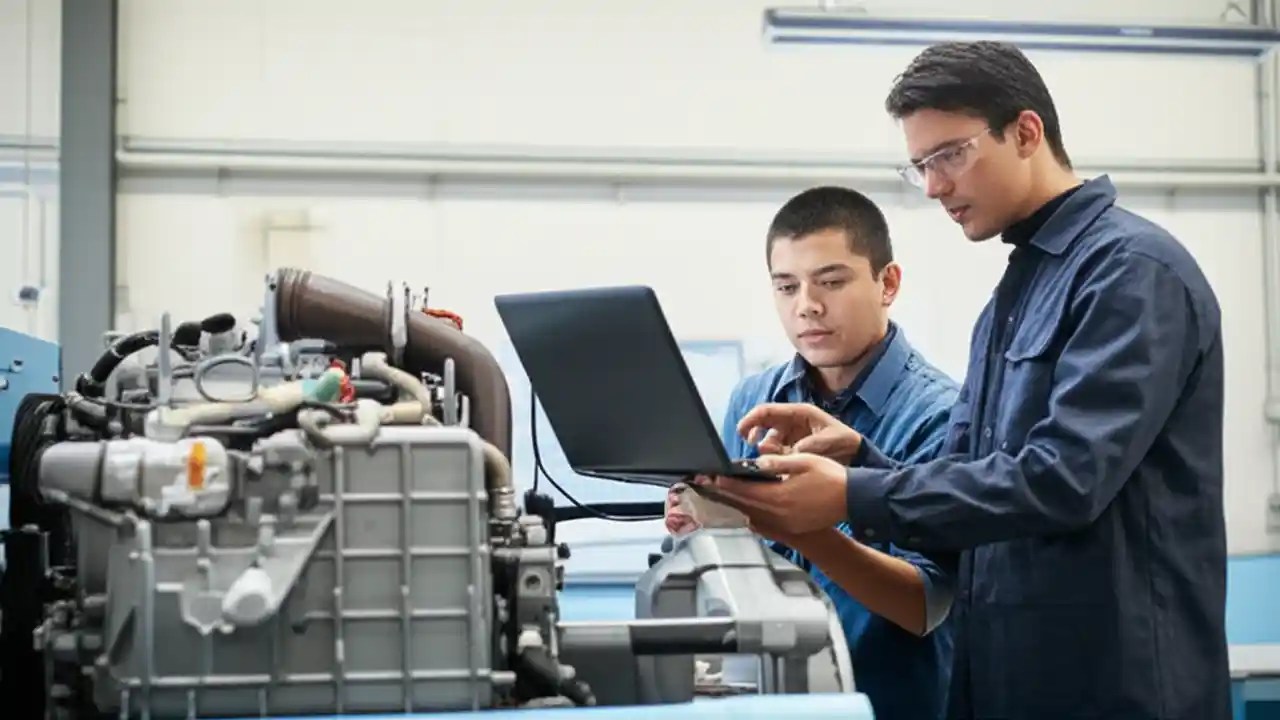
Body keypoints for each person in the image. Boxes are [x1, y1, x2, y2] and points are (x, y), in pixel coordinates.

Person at [699, 41, 1230, 720]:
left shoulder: (1129, 273)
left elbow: (1065, 480)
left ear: (1026, 132)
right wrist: (861, 456)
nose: (933, 186)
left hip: (1115, 687)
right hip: (1010, 683)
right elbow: (975, 489)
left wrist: (853, 495)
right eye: (920, 164)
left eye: (950, 154)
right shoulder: (1015, 296)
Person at [665, 186, 961, 720]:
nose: (808, 305)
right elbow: (735, 571)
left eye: (831, 281)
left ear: (887, 283)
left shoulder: (941, 415)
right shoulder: (753, 401)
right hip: (772, 700)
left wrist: (801, 526)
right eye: (787, 286)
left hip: (889, 704)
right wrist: (703, 529)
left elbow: (925, 603)